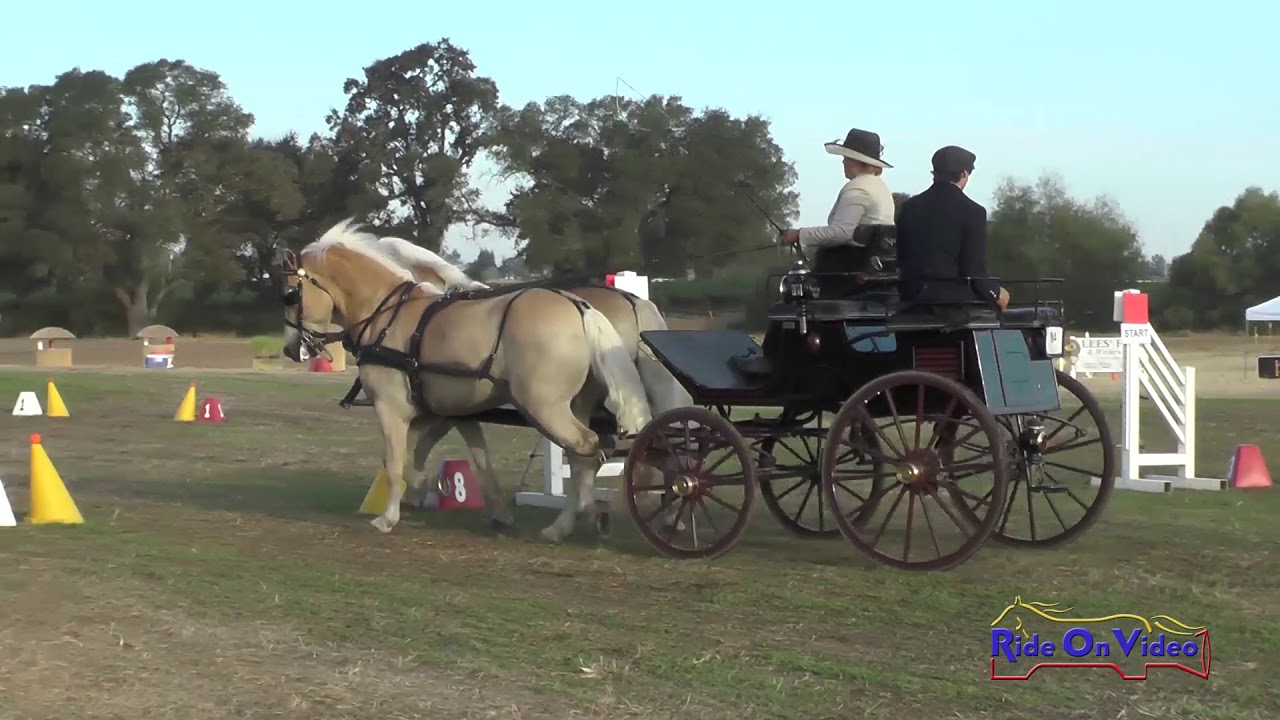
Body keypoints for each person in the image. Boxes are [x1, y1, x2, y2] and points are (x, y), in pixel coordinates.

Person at [732, 127, 896, 378]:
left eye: (845, 157)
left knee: (789, 299)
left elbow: (842, 232)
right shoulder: (880, 188)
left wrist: (799, 234)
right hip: (868, 269)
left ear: (855, 160)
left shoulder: (857, 189)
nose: (843, 162)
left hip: (844, 273)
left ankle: (773, 361)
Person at [895, 145, 1009, 315]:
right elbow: (974, 269)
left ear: (935, 172)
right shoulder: (973, 211)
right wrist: (995, 293)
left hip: (911, 298)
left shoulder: (909, 207)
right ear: (964, 174)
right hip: (952, 303)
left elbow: (902, 256)